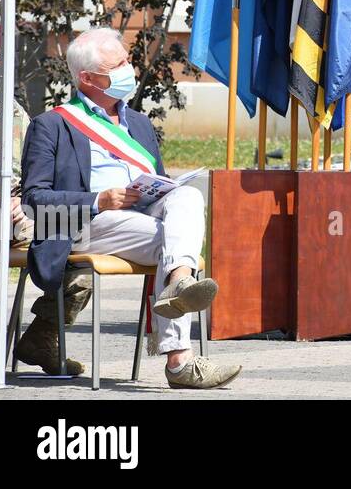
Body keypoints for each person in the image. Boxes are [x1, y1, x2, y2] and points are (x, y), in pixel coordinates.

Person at [21, 27, 241, 389]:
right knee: (171, 245)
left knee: (187, 198)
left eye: (127, 61)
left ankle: (178, 283)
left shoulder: (137, 122)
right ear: (87, 78)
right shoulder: (52, 125)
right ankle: (179, 361)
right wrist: (97, 199)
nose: (129, 69)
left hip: (141, 217)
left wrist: (162, 189)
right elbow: (34, 199)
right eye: (119, 65)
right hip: (85, 224)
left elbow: (162, 182)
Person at [0, 21, 90, 380]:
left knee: (77, 237)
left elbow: (31, 172)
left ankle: (43, 336)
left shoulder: (13, 113)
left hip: (13, 214)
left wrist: (20, 199)